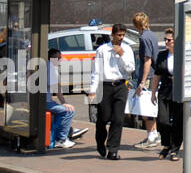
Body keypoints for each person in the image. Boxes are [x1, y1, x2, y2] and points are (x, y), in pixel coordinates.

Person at [88, 23, 134, 159]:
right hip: (105, 85)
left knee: (118, 119)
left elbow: (130, 68)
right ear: (112, 35)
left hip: (121, 85)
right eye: (119, 35)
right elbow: (96, 71)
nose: (121, 38)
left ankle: (113, 149)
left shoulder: (127, 49)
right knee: (104, 117)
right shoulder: (102, 50)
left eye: (123, 35)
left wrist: (122, 55)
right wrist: (92, 90)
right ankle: (100, 142)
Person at [131, 12, 161, 150]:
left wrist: (142, 81)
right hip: (154, 75)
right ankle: (153, 134)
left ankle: (151, 137)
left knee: (145, 109)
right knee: (150, 107)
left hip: (148, 77)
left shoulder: (144, 38)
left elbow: (147, 60)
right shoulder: (152, 35)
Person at [45, 49, 86, 149]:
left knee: (61, 109)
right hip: (45, 103)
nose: (61, 59)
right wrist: (64, 103)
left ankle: (69, 131)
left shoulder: (45, 66)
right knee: (68, 111)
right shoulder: (50, 68)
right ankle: (61, 139)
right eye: (58, 57)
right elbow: (57, 89)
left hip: (43, 101)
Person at [149, 29, 179, 161]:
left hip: (178, 92)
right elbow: (156, 75)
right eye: (165, 39)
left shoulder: (182, 55)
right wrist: (153, 93)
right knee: (162, 120)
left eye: (169, 40)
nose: (166, 42)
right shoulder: (162, 55)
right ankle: (166, 144)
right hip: (165, 91)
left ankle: (174, 149)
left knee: (178, 122)